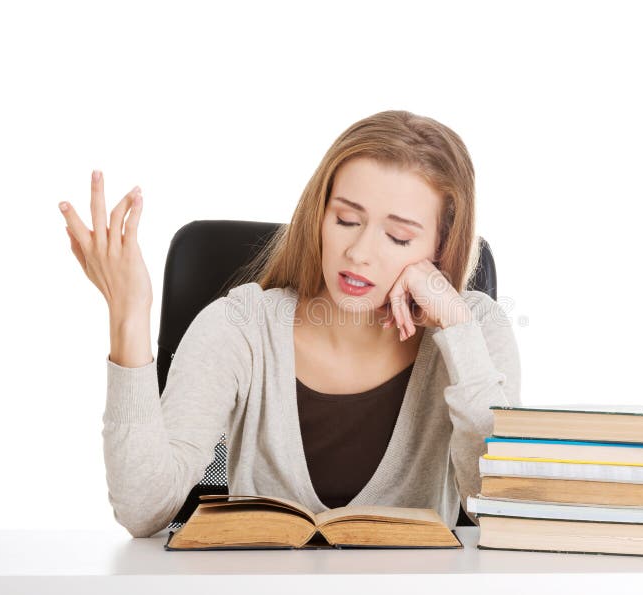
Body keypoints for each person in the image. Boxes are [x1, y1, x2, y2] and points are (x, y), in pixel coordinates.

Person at [58, 110, 522, 538]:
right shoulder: (241, 325)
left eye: (398, 236)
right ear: (318, 215)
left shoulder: (476, 327)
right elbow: (142, 508)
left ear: (441, 246)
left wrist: (457, 328)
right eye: (345, 219)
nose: (359, 252)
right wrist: (128, 312)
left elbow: (500, 506)